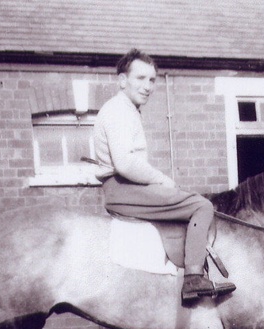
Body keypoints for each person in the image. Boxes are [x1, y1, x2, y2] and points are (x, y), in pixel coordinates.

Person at [93, 49, 235, 303]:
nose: (147, 86)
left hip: (125, 187)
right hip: (123, 188)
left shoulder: (127, 109)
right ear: (122, 80)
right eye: (140, 78)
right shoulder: (118, 110)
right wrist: (160, 179)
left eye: (152, 80)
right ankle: (193, 277)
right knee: (202, 205)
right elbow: (125, 163)